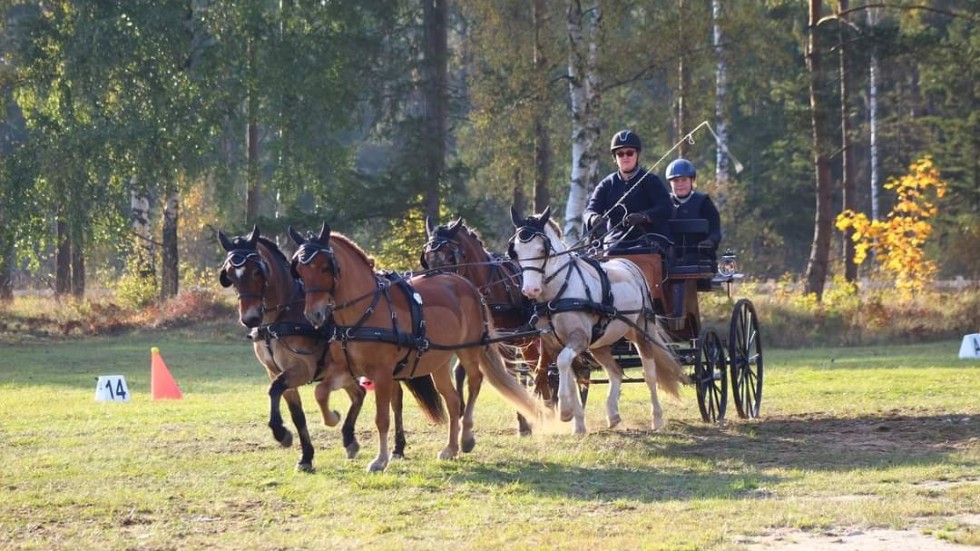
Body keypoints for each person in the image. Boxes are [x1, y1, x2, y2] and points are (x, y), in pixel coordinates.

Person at [584, 130, 672, 254]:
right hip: (615, 241)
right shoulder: (607, 184)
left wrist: (644, 217)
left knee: (641, 253)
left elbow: (666, 208)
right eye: (620, 154)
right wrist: (593, 218)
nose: (625, 157)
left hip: (648, 239)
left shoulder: (651, 180)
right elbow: (590, 210)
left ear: (637, 155)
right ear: (615, 158)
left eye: (629, 153)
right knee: (609, 253)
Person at [666, 158, 721, 261]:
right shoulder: (664, 203)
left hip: (700, 256)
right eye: (676, 181)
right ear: (670, 183)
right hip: (669, 258)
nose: (680, 184)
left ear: (692, 180)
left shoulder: (704, 202)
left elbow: (715, 230)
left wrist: (711, 241)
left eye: (684, 180)